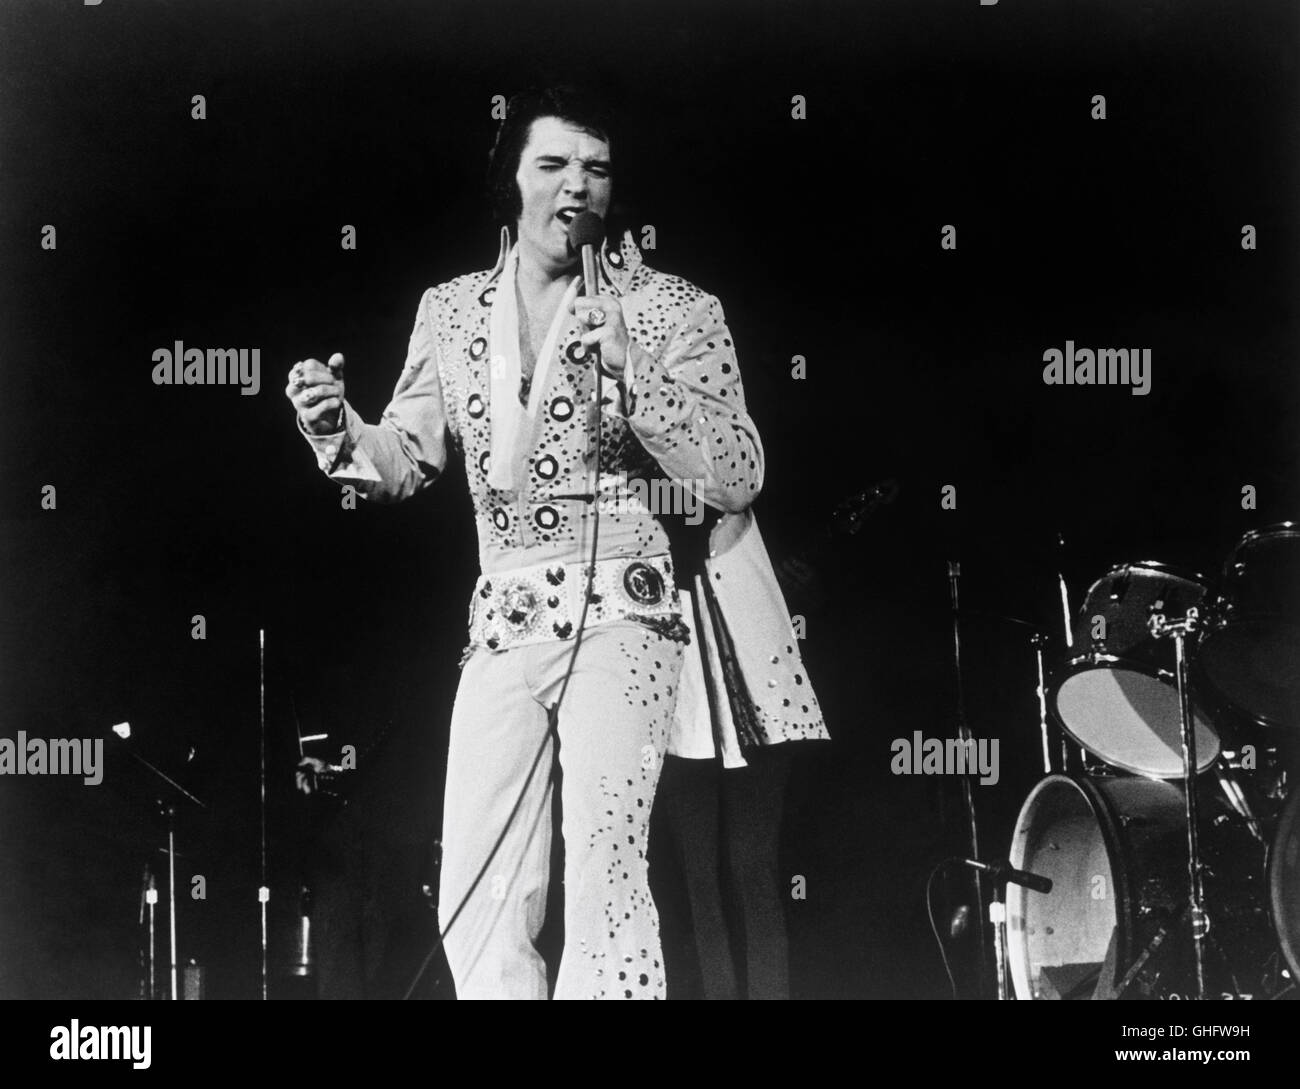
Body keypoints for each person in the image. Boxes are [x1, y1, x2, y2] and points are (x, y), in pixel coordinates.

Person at [285, 85, 826, 1000]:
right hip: (502, 620)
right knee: (477, 884)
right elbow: (405, 458)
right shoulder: (452, 309)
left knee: (605, 869)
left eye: (598, 168)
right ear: (514, 181)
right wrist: (338, 429)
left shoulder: (673, 309)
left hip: (627, 616)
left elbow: (738, 469)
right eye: (554, 164)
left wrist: (635, 371)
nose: (578, 185)